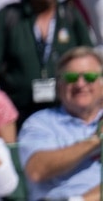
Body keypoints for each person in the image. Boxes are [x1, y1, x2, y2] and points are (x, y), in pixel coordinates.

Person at [16, 46, 103, 201]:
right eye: (71, 77)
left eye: (89, 77)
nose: (80, 84)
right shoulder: (40, 122)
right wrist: (95, 140)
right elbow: (36, 170)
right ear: (58, 84)